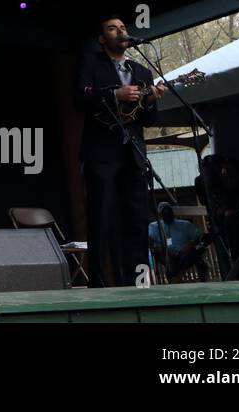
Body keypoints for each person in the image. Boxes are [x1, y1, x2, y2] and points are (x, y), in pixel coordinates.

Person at [74, 16, 168, 287]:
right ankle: (99, 285)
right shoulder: (91, 62)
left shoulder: (142, 71)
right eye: (112, 28)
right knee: (101, 217)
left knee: (138, 220)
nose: (120, 31)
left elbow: (149, 121)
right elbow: (79, 99)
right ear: (102, 38)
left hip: (134, 153)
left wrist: (150, 100)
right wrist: (116, 94)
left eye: (124, 27)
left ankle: (138, 282)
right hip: (101, 152)